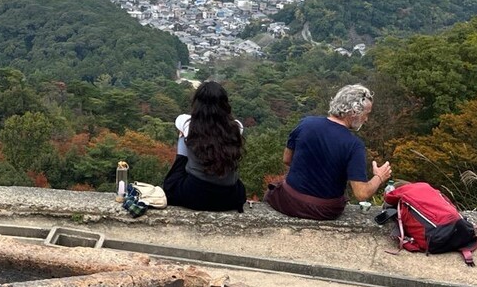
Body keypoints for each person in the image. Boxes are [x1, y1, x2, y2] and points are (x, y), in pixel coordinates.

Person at [266, 84, 392, 221]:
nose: (366, 119)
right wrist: (379, 176)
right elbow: (361, 193)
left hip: (288, 202)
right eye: (366, 114)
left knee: (276, 187)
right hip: (323, 211)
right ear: (354, 112)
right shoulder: (354, 145)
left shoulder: (305, 124)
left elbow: (287, 159)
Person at [162, 81, 246, 212]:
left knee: (183, 135)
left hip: (195, 193)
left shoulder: (189, 124)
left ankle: (180, 170)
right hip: (229, 197)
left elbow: (179, 120)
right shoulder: (237, 127)